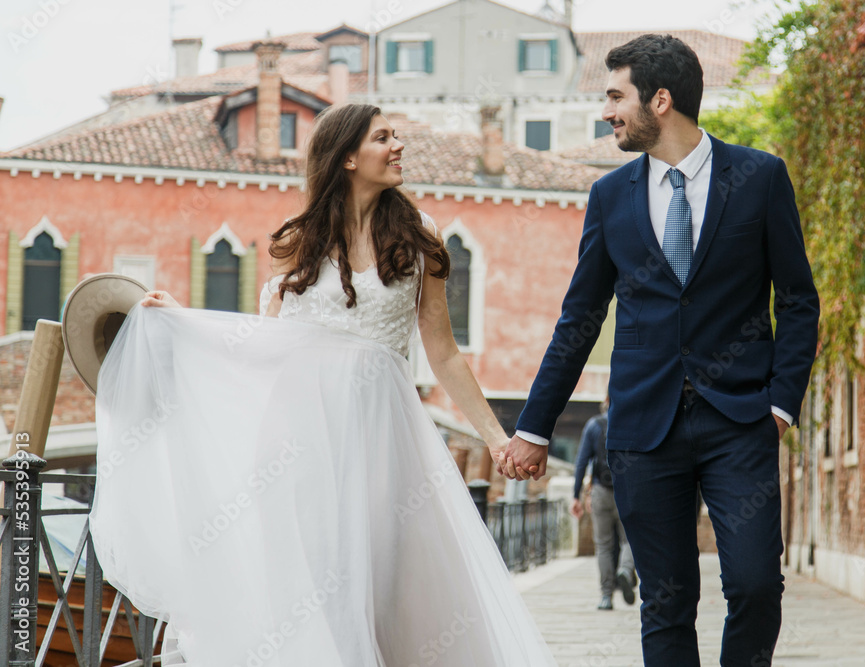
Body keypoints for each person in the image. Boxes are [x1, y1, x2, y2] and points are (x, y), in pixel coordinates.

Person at [88, 103, 555, 666]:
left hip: (384, 440)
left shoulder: (420, 236)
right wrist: (182, 323)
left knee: (384, 581)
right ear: (349, 157)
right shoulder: (297, 242)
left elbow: (444, 352)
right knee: (310, 581)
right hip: (296, 442)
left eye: (396, 135)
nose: (399, 145)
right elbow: (266, 346)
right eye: (384, 137)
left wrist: (496, 437)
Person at [499, 34, 820, 666]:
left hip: (741, 421)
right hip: (642, 429)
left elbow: (799, 301)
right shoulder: (610, 197)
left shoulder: (759, 178)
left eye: (616, 96)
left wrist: (781, 404)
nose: (607, 111)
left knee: (756, 586)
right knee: (666, 604)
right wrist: (534, 426)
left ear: (662, 100)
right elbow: (580, 318)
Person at [571, 395, 635, 610]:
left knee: (603, 545)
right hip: (627, 491)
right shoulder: (632, 421)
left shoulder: (594, 425)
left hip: (600, 492)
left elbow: (581, 462)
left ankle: (606, 596)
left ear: (605, 400)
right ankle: (625, 571)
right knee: (630, 540)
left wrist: (576, 495)